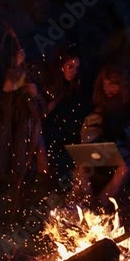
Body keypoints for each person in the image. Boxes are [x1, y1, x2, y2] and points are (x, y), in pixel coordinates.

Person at [0, 23, 50, 225]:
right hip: (7, 120)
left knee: (38, 155)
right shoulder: (11, 67)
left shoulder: (38, 72)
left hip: (27, 123)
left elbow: (43, 106)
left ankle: (41, 206)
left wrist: (35, 94)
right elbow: (7, 87)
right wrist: (16, 68)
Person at [73, 65, 130, 209]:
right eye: (104, 85)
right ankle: (83, 207)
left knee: (124, 169)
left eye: (112, 85)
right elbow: (92, 138)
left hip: (129, 156)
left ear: (122, 85)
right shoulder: (101, 108)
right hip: (107, 154)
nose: (107, 89)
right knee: (81, 167)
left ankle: (99, 206)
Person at [41, 46, 87, 184]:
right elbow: (44, 112)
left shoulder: (77, 88)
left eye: (76, 68)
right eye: (70, 66)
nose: (74, 71)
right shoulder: (52, 86)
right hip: (53, 136)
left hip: (71, 137)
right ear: (62, 66)